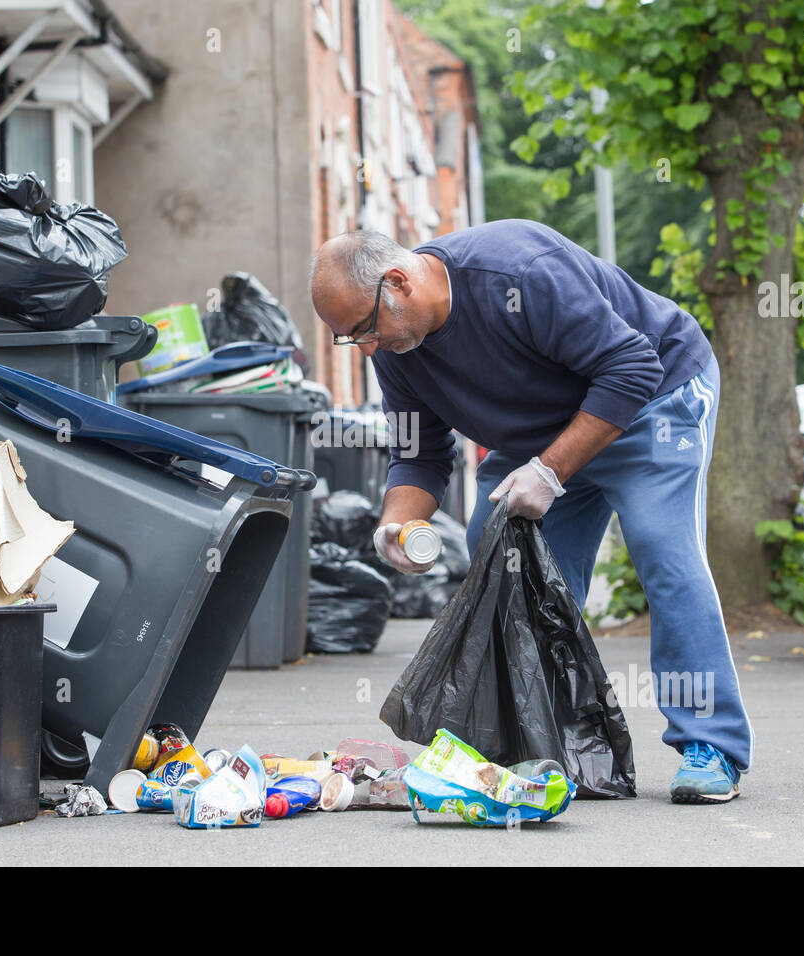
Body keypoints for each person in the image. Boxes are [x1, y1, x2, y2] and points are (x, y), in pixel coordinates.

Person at [308, 219, 754, 803]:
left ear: (398, 281)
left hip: (651, 401)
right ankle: (553, 743)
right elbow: (419, 455)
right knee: (502, 558)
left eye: (363, 328)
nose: (365, 348)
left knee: (664, 552)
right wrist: (395, 526)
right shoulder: (396, 348)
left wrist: (550, 471)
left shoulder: (517, 272)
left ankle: (710, 743)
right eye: (348, 339)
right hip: (543, 435)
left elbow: (632, 367)